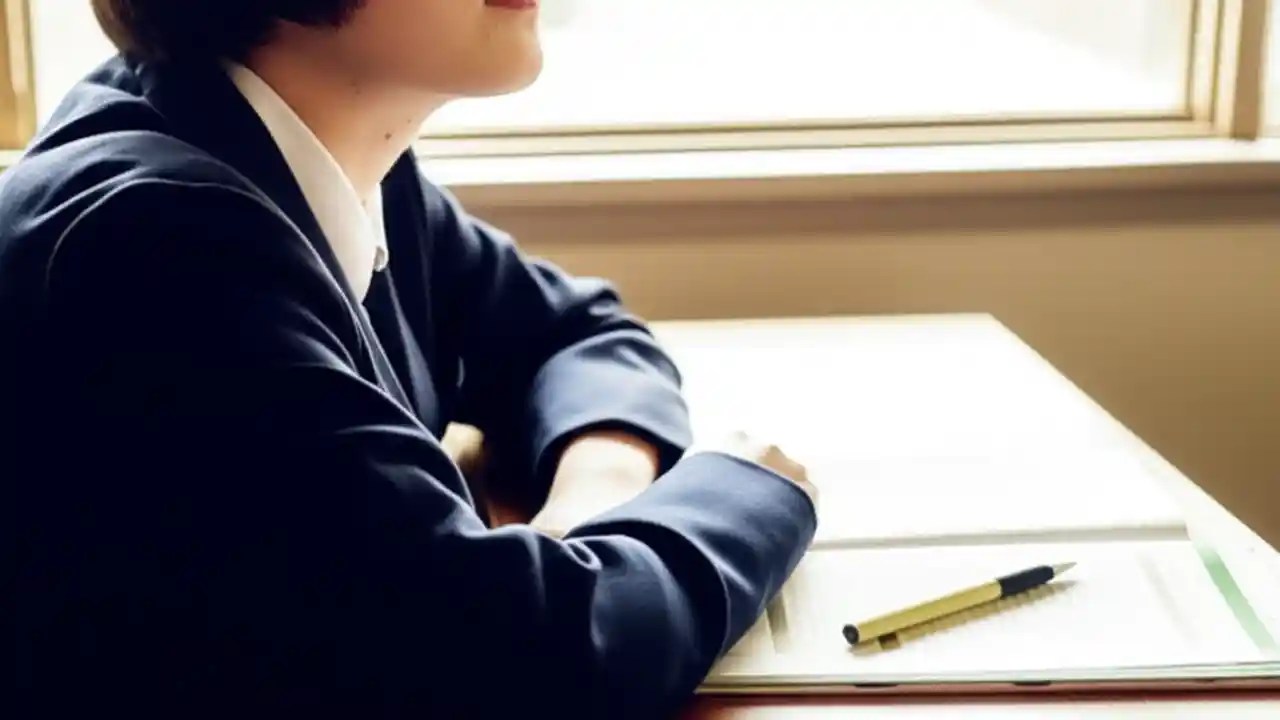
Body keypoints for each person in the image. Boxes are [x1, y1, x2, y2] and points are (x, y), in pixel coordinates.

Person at [3, 2, 817, 717]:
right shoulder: (159, 249)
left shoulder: (297, 141)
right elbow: (529, 661)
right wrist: (755, 489)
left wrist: (591, 501)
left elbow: (578, 331)